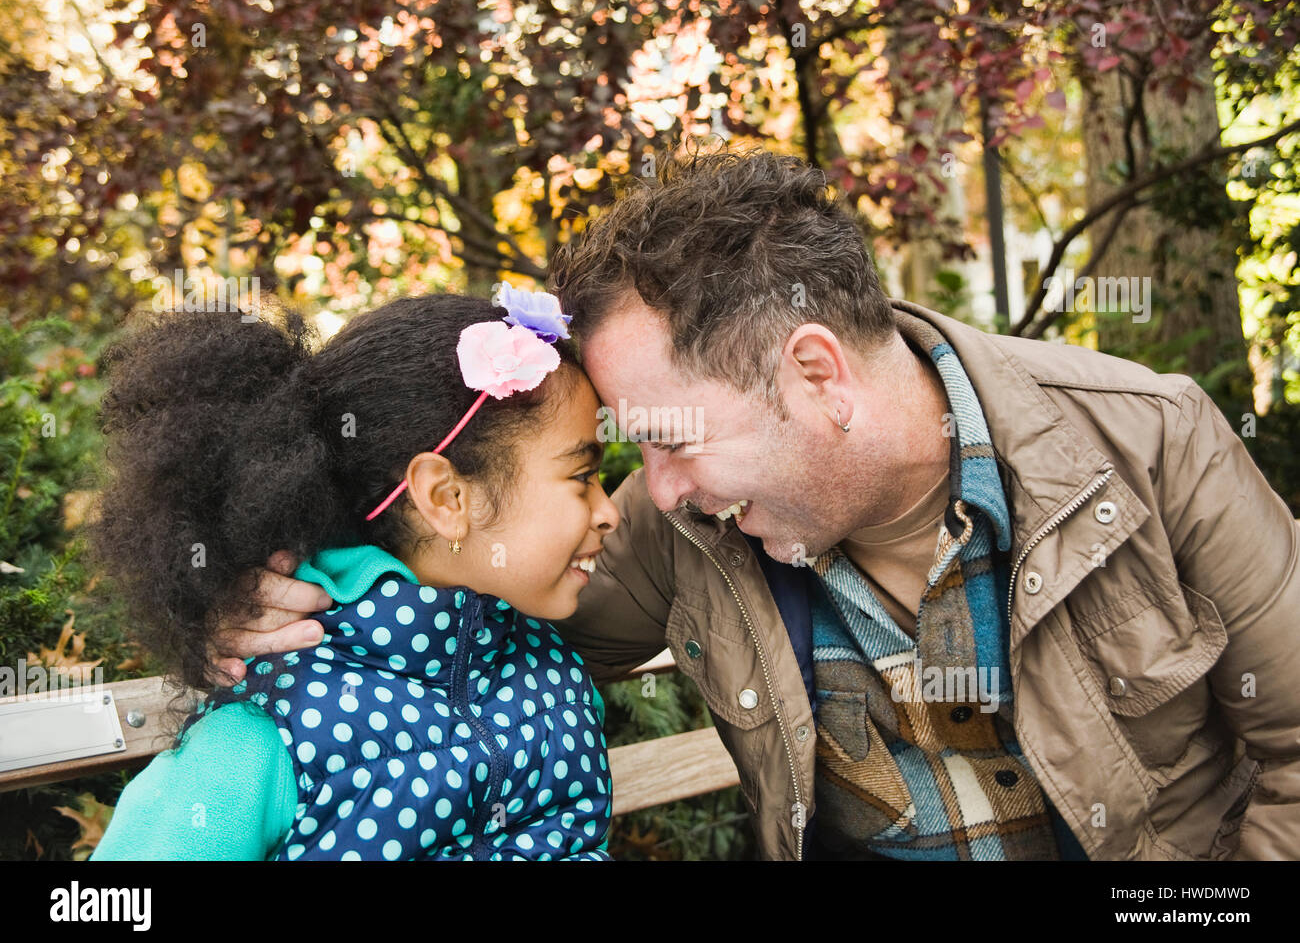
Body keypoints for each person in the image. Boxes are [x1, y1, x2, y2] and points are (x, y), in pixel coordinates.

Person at [217, 147, 1300, 861]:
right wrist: (257, 593)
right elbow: (465, 589)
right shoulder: (675, 523)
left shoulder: (1147, 442)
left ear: (817, 376)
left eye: (668, 439)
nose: (654, 488)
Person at [91, 288, 619, 860]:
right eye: (582, 475)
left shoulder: (550, 665)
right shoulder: (272, 726)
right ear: (446, 497)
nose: (610, 511)